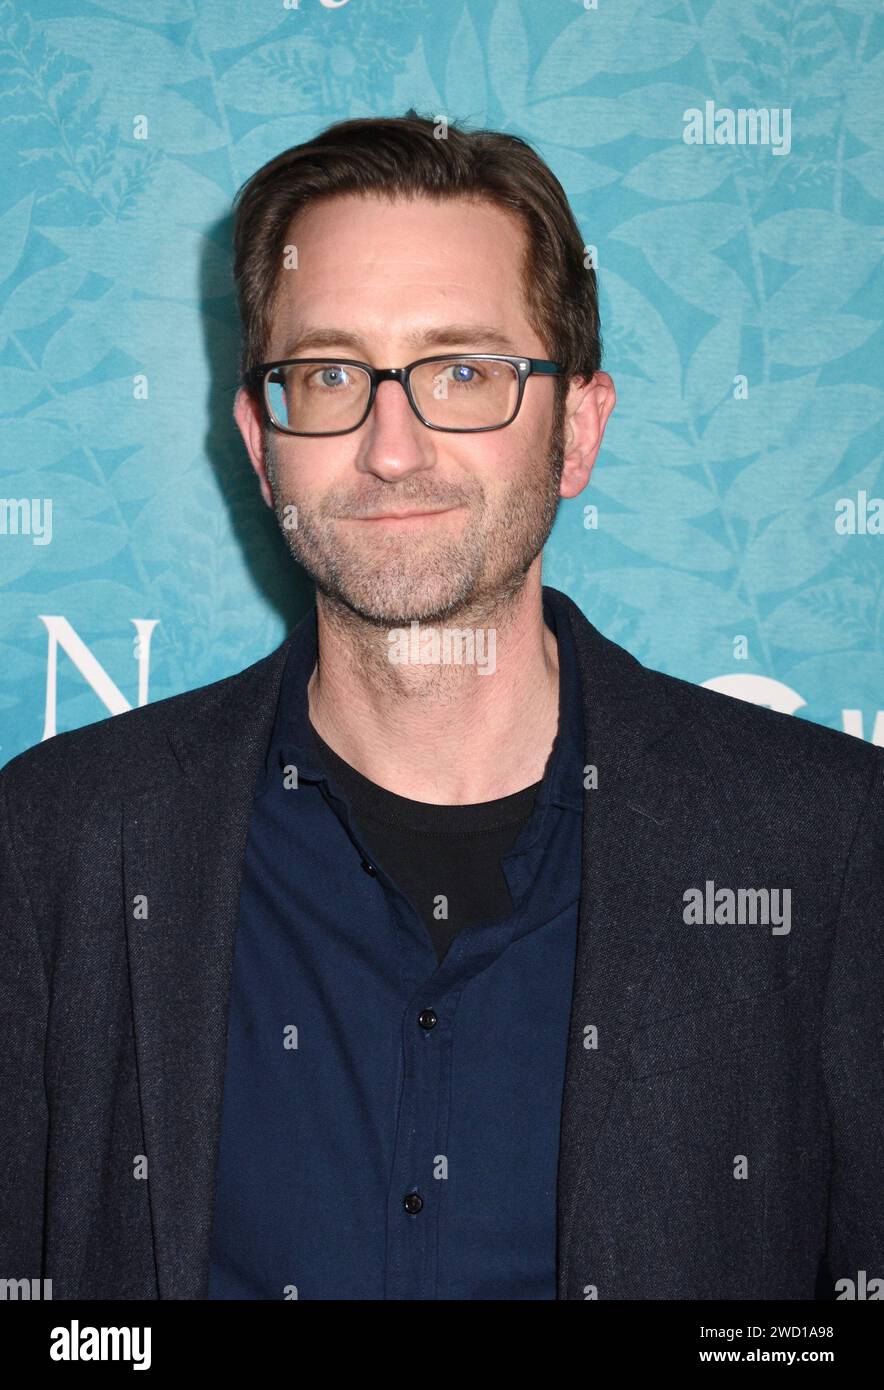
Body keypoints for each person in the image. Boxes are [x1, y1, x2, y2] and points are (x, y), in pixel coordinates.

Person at [1, 113, 881, 1301]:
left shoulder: (824, 841)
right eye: (327, 375)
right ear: (262, 445)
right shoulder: (63, 839)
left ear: (575, 429)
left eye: (464, 372)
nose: (391, 447)